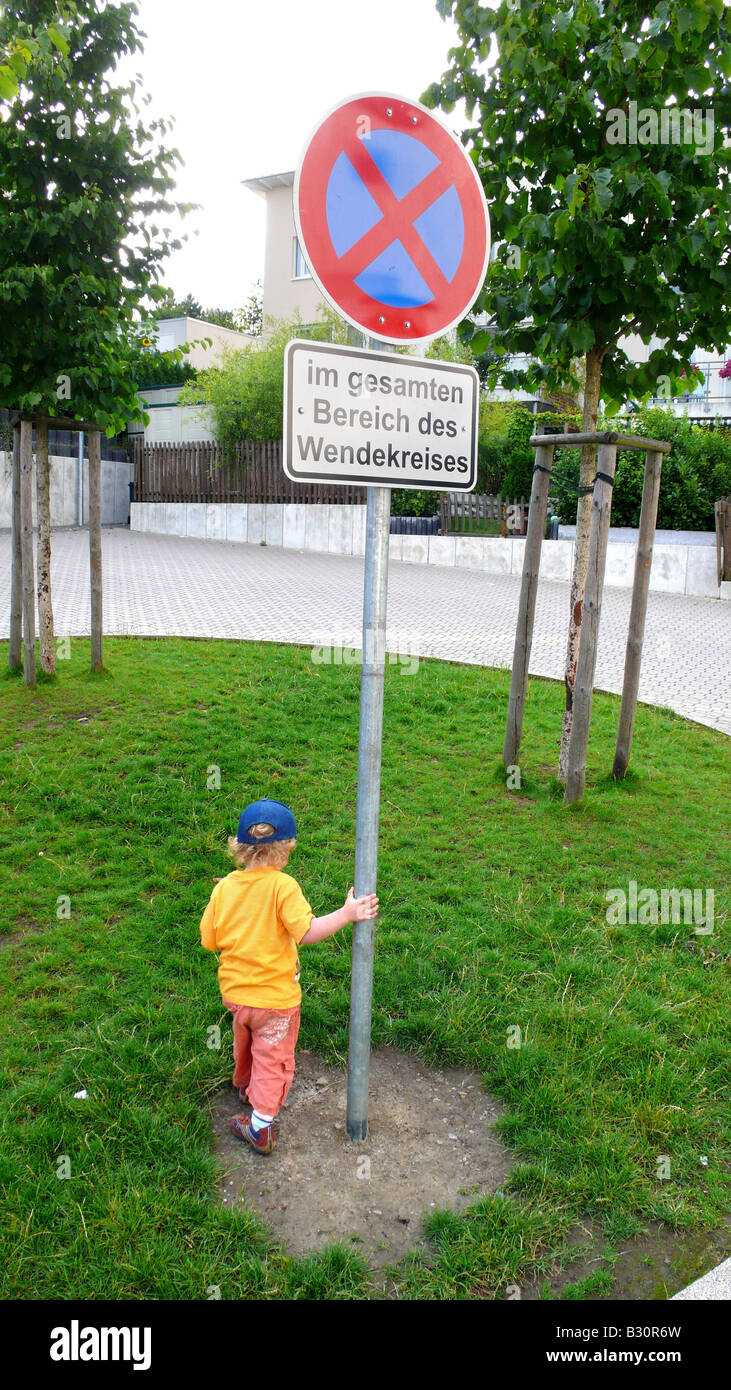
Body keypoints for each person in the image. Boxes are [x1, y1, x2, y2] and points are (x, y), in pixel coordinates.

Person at [199, 798, 378, 1155]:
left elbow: (209, 939)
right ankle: (261, 1127)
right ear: (286, 849)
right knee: (272, 1057)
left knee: (245, 1042)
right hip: (276, 1002)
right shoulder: (283, 887)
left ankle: (245, 1087)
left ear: (239, 847)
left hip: (236, 994)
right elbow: (306, 931)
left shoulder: (224, 889)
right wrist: (347, 913)